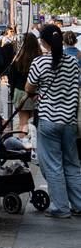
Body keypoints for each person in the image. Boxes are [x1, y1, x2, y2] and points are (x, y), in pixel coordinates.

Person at [24, 24, 81, 217]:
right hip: (69, 121)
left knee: (53, 165)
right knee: (72, 164)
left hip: (48, 121)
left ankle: (60, 208)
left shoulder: (39, 62)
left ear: (43, 41)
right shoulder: (73, 62)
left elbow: (29, 88)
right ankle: (79, 205)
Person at [6, 32, 41, 136]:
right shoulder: (40, 59)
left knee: (23, 123)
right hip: (37, 93)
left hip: (20, 93)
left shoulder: (18, 60)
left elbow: (11, 79)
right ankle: (34, 147)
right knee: (34, 124)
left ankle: (23, 147)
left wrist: (12, 94)